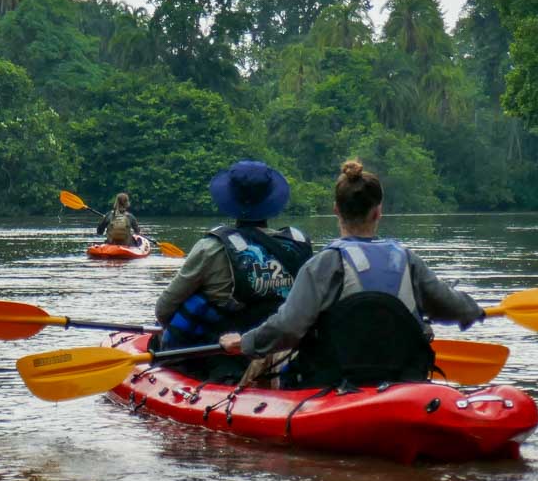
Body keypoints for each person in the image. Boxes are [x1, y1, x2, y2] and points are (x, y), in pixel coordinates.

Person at [219, 159, 485, 389]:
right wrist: (475, 310)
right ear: (379, 211)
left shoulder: (324, 264)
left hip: (334, 379)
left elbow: (288, 327)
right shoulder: (407, 259)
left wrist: (244, 343)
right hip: (403, 377)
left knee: (270, 357)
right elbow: (451, 306)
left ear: (336, 209)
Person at [153, 160, 312, 379]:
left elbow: (164, 310)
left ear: (230, 200)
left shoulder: (212, 247)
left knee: (190, 311)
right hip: (285, 351)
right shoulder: (299, 244)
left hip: (226, 356)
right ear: (271, 202)